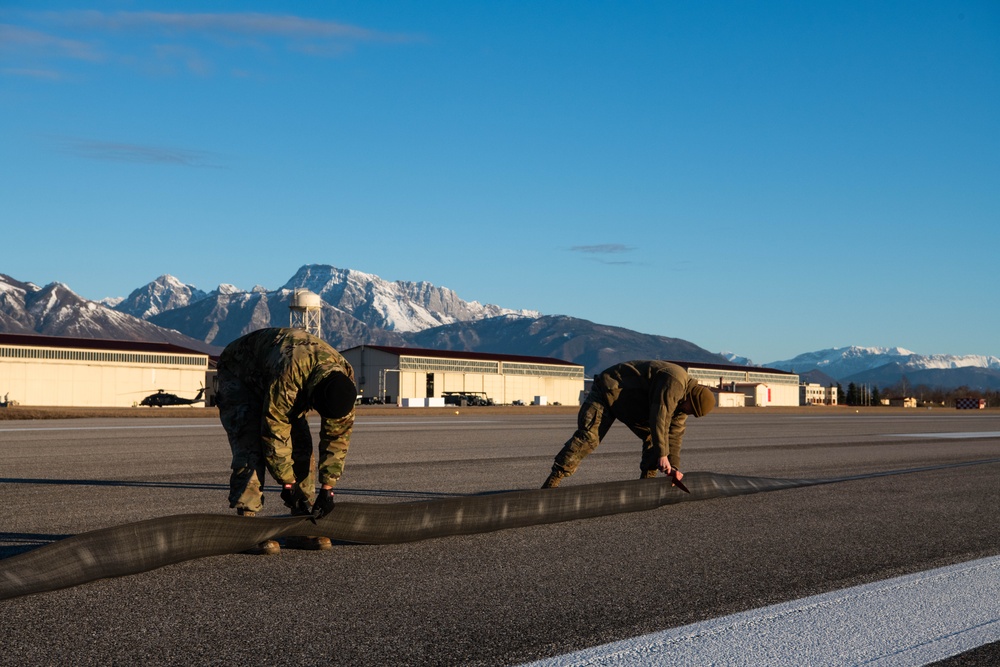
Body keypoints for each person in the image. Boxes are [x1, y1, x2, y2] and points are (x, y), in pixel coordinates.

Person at [216, 327, 357, 554]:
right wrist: (287, 484)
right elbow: (274, 431)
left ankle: (301, 521)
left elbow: (338, 437)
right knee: (250, 446)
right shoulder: (290, 375)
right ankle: (247, 525)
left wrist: (328, 488)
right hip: (240, 371)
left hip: (280, 374)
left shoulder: (344, 383)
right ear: (313, 397)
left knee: (302, 445)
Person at [542, 360, 715, 488]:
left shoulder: (683, 405)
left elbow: (675, 434)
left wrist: (674, 466)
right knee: (589, 438)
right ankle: (553, 482)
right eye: (690, 410)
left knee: (655, 441)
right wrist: (663, 455)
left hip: (630, 405)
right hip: (608, 392)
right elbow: (659, 417)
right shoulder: (675, 382)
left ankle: (646, 485)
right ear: (691, 399)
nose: (688, 413)